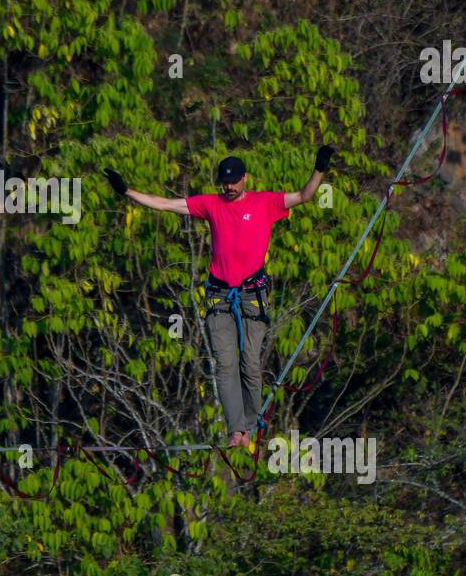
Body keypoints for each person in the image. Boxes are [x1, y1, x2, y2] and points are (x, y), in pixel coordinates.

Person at [104, 145, 334, 450]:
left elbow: (304, 196)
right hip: (219, 295)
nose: (229, 187)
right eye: (224, 182)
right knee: (225, 364)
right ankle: (236, 428)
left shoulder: (265, 202)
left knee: (250, 364)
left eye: (234, 182)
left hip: (253, 295)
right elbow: (165, 205)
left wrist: (319, 168)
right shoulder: (211, 204)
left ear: (245, 179)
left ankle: (251, 424)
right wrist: (127, 191)